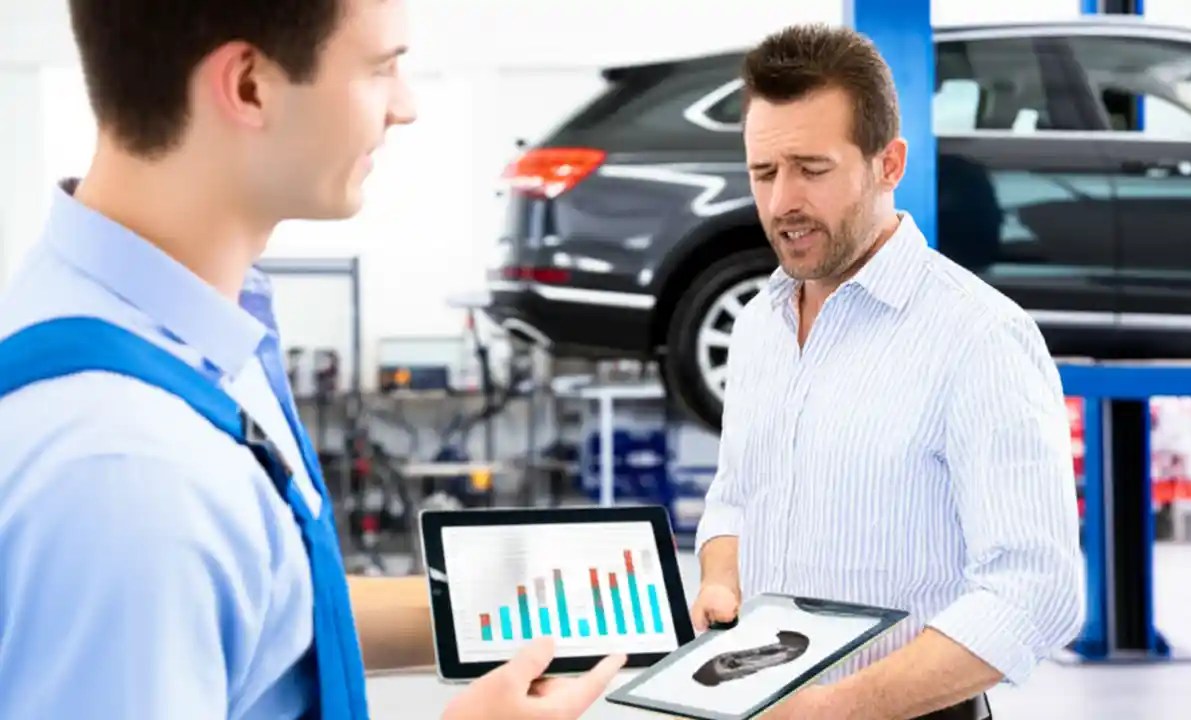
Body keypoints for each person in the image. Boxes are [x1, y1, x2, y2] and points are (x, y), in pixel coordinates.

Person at [0, 1, 624, 718]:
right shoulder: (128, 480)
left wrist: (529, 605)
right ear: (249, 86)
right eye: (381, 68)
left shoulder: (157, 322)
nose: (406, 106)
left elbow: (266, 607)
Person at [689, 24, 1085, 720]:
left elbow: (1035, 591)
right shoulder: (757, 327)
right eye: (764, 173)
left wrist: (838, 709)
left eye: (812, 170)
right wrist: (722, 581)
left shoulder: (979, 337)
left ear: (889, 164)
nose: (781, 203)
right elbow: (736, 498)